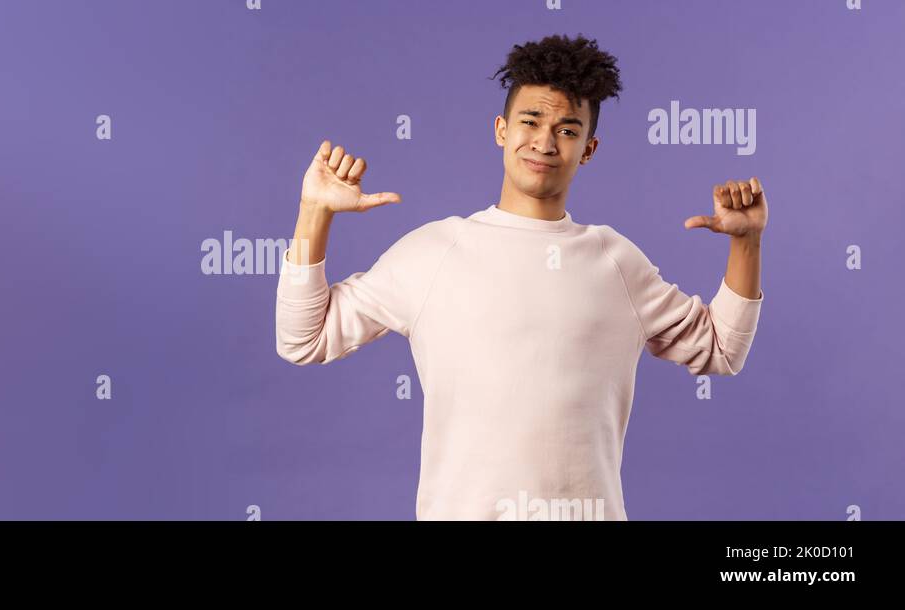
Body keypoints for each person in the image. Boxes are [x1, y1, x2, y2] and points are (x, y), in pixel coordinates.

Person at [274, 33, 767, 520]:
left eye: (568, 130)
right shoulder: (434, 252)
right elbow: (304, 338)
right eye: (530, 121)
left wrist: (746, 243)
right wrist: (313, 213)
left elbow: (722, 348)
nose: (545, 142)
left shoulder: (615, 261)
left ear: (589, 149)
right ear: (501, 130)